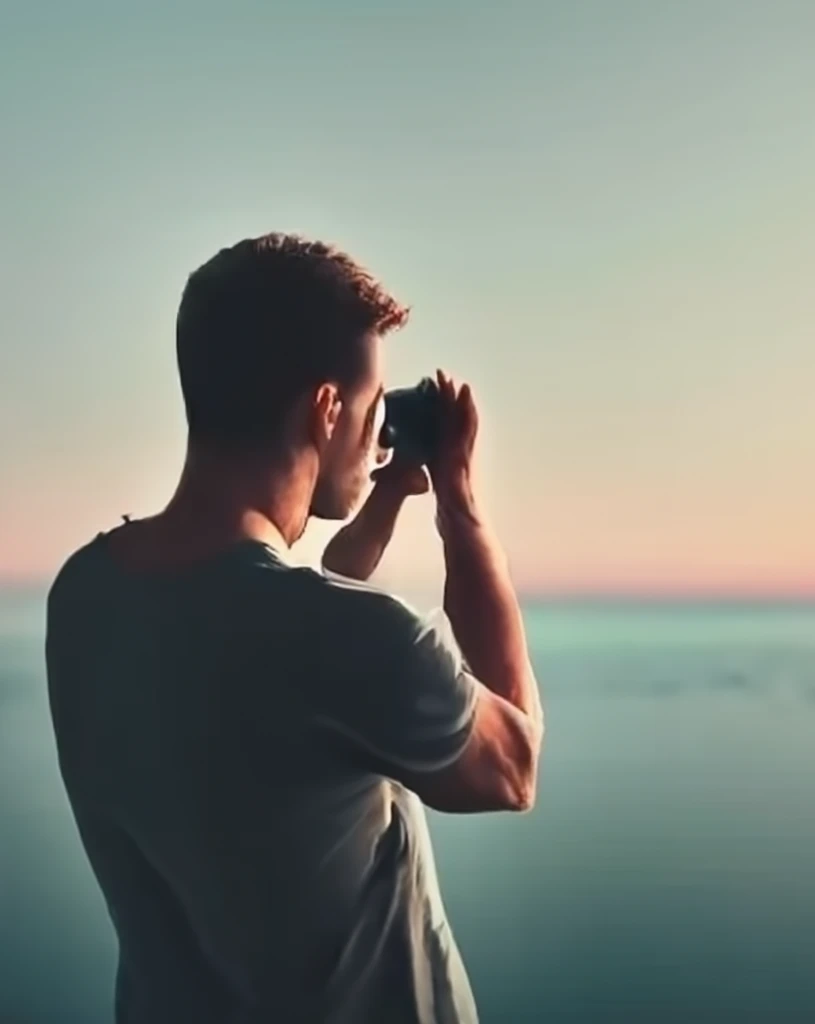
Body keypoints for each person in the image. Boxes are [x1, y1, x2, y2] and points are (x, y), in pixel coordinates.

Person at [44, 233, 544, 1024]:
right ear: (324, 407)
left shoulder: (85, 594)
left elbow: (288, 634)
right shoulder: (355, 642)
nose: (381, 433)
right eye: (374, 407)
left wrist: (383, 499)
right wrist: (462, 510)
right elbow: (513, 765)